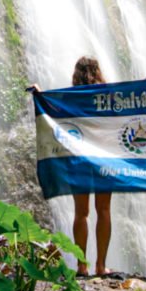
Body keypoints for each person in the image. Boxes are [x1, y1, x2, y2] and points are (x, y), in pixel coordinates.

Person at [29, 56, 113, 277]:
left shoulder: (71, 97)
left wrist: (39, 93)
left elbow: (51, 109)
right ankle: (102, 266)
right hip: (104, 158)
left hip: (79, 159)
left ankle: (82, 265)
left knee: (81, 213)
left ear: (76, 74)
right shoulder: (108, 95)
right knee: (103, 210)